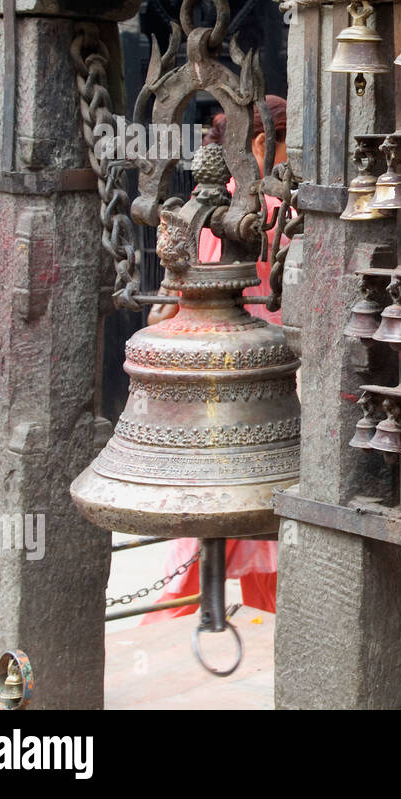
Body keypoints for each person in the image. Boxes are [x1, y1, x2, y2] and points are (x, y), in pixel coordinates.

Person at [143, 95, 289, 623]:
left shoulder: (192, 215)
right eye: (291, 145)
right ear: (259, 146)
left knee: (215, 524)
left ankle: (199, 618)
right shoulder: (271, 214)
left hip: (209, 389)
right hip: (265, 381)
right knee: (259, 515)